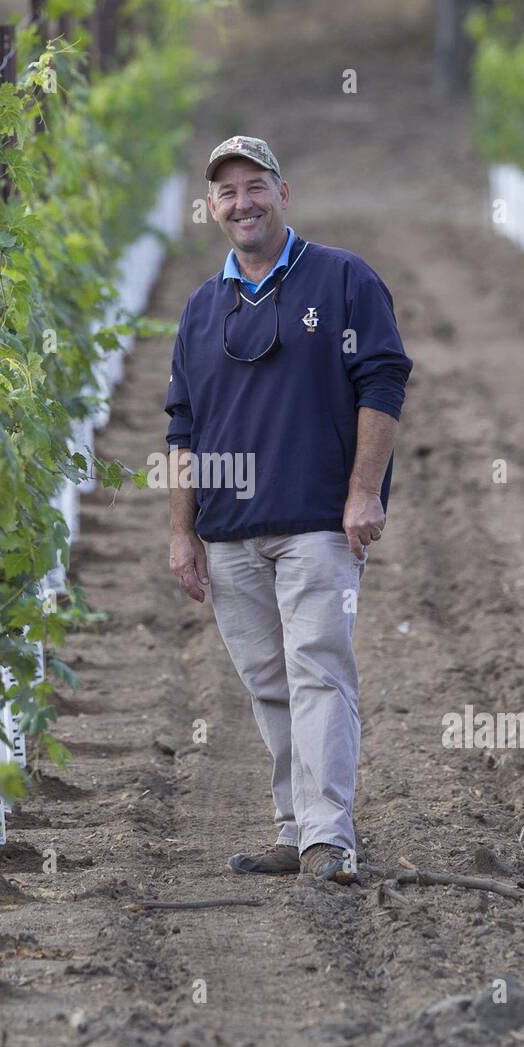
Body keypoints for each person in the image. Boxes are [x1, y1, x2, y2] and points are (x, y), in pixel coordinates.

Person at [164, 135, 413, 885]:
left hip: (316, 523)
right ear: (211, 208)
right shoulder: (203, 309)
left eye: (255, 186)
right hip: (231, 532)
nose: (242, 203)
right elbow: (183, 426)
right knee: (269, 685)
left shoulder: (343, 279)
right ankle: (293, 826)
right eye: (227, 192)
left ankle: (328, 840)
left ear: (284, 193)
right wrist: (182, 529)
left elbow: (383, 383)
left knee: (318, 671)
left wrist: (363, 491)